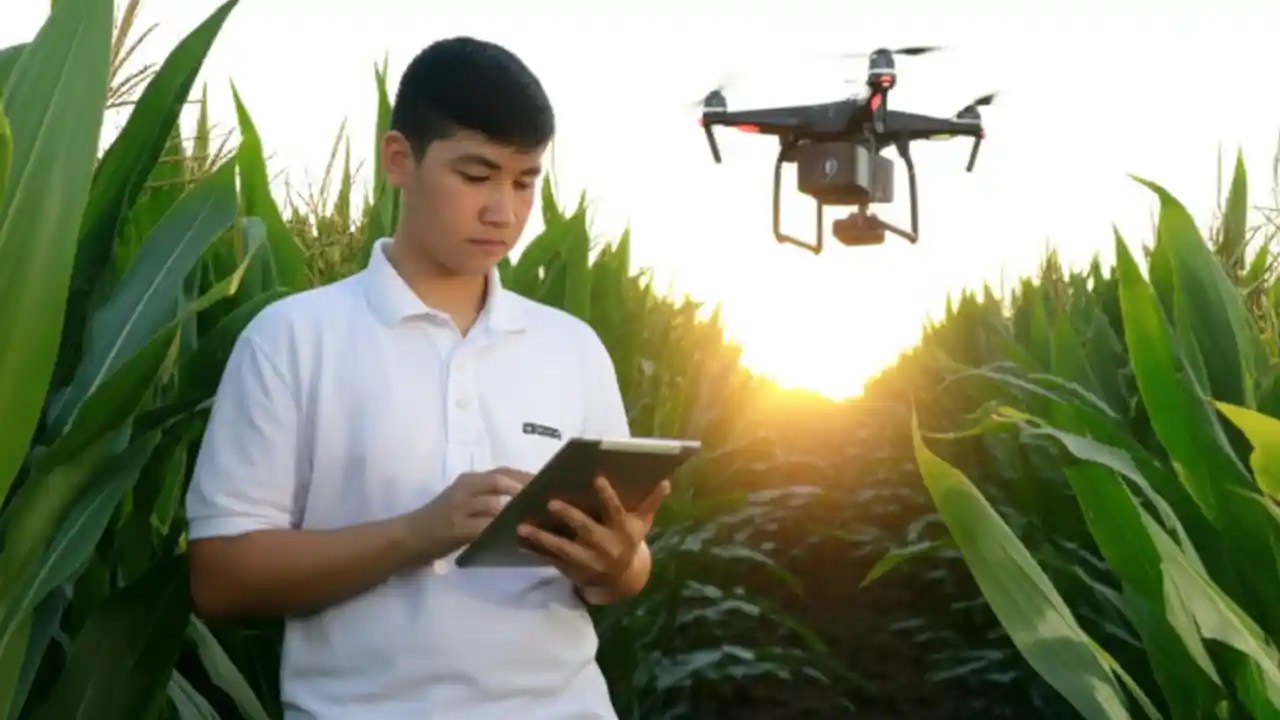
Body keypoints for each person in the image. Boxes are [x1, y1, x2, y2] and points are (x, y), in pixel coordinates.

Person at [183, 36, 669, 719]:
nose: (504, 211)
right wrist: (416, 534)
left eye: (525, 180)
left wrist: (618, 563)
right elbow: (221, 578)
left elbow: (626, 576)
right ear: (398, 160)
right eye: (476, 176)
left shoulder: (572, 348)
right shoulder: (292, 340)